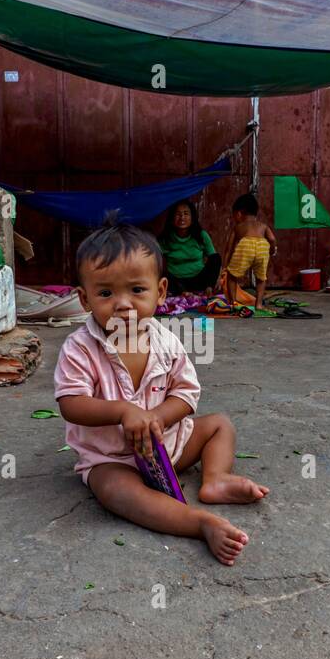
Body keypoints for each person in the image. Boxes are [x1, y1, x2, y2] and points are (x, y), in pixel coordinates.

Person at [54, 223, 269, 566]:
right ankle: (198, 523)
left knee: (219, 425)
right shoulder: (80, 348)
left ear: (161, 291)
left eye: (137, 289)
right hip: (114, 459)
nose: (123, 305)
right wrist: (123, 411)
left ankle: (215, 479)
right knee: (112, 491)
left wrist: (159, 417)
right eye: (106, 293)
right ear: (84, 298)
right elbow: (70, 404)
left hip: (169, 446)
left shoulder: (167, 341)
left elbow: (186, 393)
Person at [224, 193, 277, 309]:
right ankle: (258, 304)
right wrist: (273, 250)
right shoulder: (263, 226)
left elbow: (229, 248)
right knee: (261, 278)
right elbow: (272, 239)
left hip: (246, 245)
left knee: (232, 276)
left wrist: (225, 267)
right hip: (263, 246)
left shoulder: (238, 227)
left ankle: (233, 303)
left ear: (238, 213)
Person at [157, 200, 221, 295]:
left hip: (199, 280)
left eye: (186, 213)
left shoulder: (201, 235)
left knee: (216, 258)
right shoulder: (165, 238)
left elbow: (214, 258)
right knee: (158, 268)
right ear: (172, 218)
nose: (182, 217)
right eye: (178, 214)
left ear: (192, 217)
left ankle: (208, 289)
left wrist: (216, 279)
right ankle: (182, 292)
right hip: (175, 282)